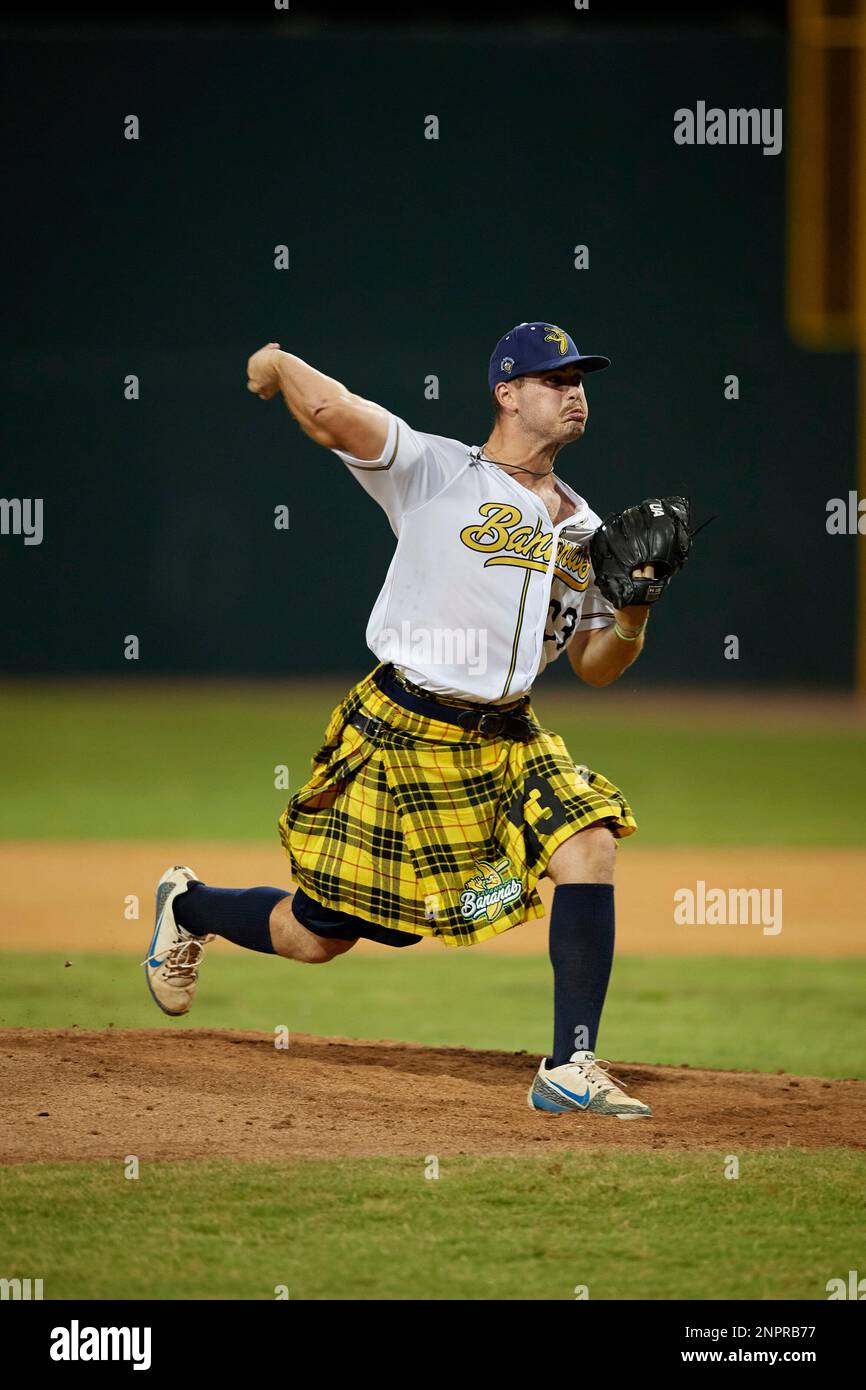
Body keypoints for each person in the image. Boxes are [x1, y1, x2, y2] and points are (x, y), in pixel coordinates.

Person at [144, 321, 658, 1118]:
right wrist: (280, 361)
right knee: (321, 935)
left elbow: (596, 667)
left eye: (580, 381)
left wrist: (635, 611)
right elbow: (336, 414)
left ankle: (570, 1065)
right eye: (556, 380)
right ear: (508, 393)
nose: (574, 393)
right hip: (402, 729)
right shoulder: (437, 471)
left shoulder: (588, 533)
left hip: (508, 738)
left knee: (589, 841)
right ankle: (190, 906)